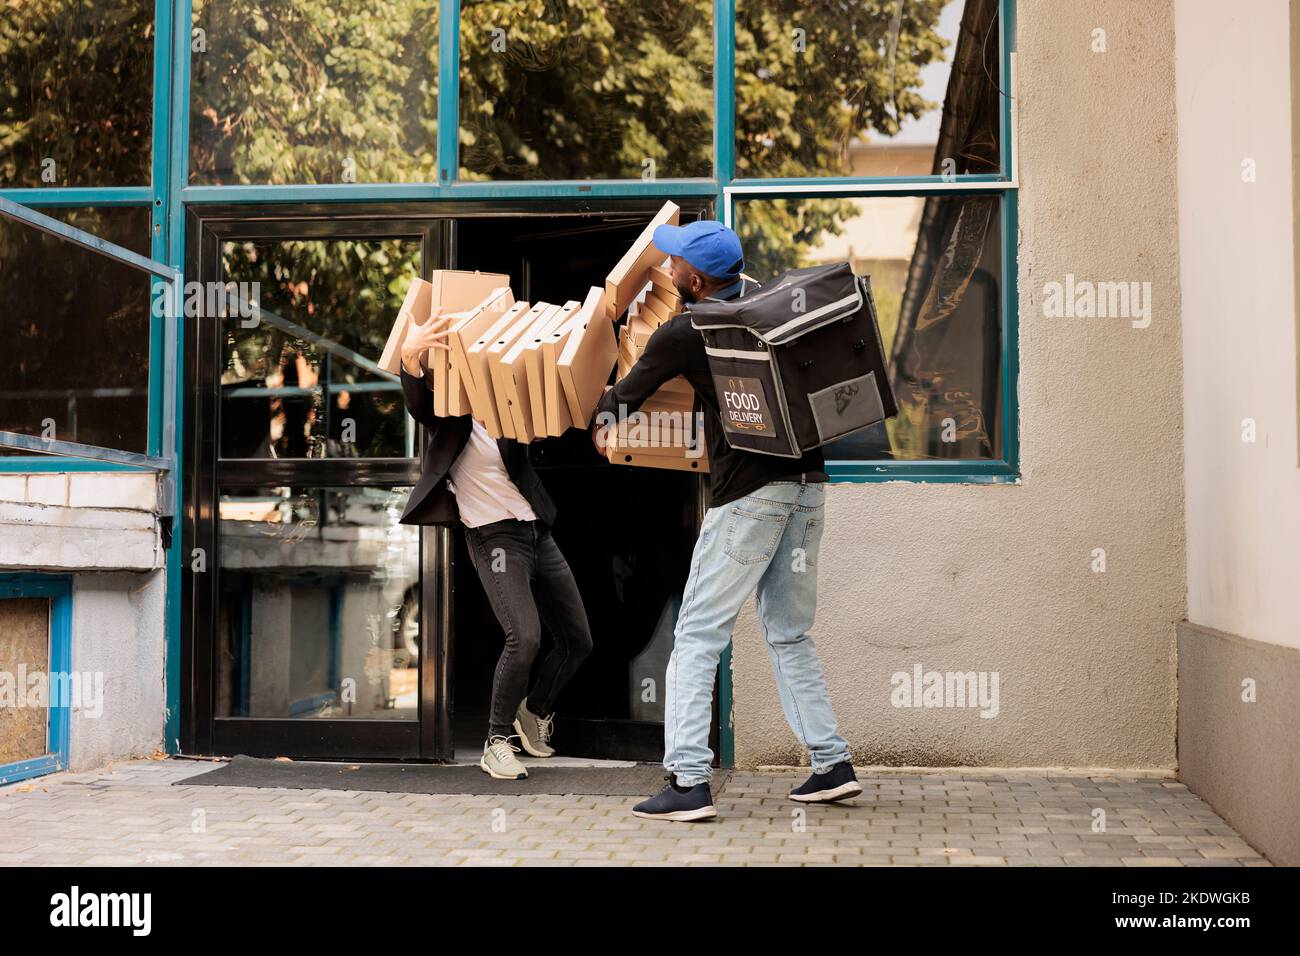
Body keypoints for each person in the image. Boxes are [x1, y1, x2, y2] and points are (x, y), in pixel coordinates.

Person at [592, 220, 861, 821]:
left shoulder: (689, 331)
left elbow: (627, 393)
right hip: (808, 491)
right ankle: (832, 764)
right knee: (789, 633)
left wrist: (602, 420)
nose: (667, 272)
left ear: (694, 278)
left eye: (674, 265)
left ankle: (689, 781)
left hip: (748, 499)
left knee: (697, 635)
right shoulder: (772, 310)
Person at [399, 310, 593, 780]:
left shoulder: (511, 407)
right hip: (493, 536)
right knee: (524, 636)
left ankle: (534, 711)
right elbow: (418, 403)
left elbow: (557, 406)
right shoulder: (449, 416)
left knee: (578, 640)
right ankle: (496, 741)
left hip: (535, 530)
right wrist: (410, 357)